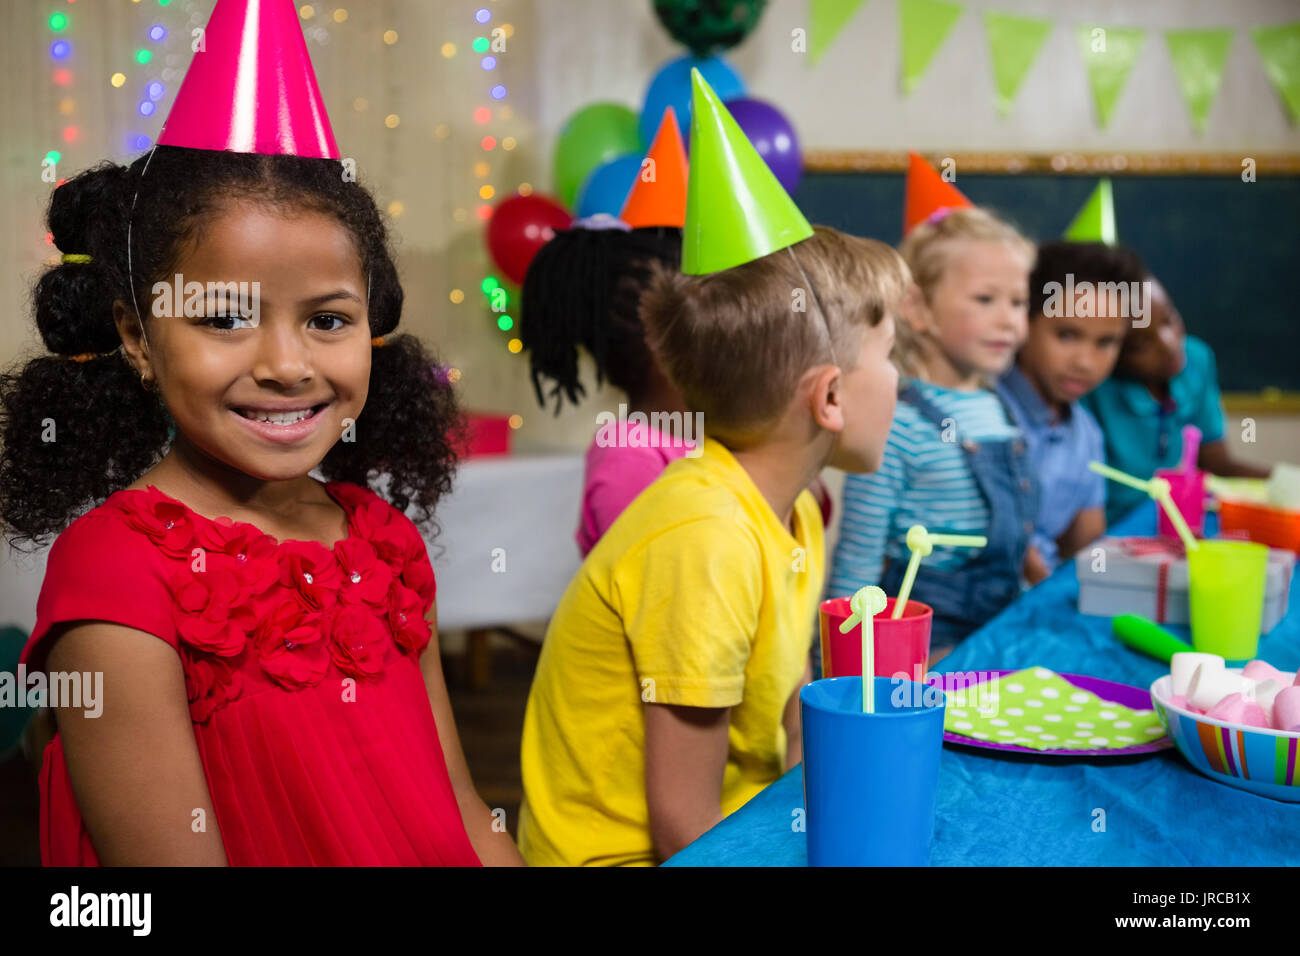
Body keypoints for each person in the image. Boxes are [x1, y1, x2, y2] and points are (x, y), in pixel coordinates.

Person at [0, 0, 519, 866]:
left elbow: (462, 813)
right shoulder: (115, 575)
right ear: (137, 335)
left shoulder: (382, 542)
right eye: (225, 318)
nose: (286, 364)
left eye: (326, 320)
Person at [516, 73, 908, 865]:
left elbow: (790, 721)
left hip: (743, 824)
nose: (905, 381)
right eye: (894, 356)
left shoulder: (791, 507)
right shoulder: (707, 538)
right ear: (828, 397)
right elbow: (680, 828)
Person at [830, 203, 1039, 652]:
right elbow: (858, 557)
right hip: (926, 639)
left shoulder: (1002, 406)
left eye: (1018, 302)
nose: (1008, 319)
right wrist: (837, 660)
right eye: (985, 300)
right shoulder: (896, 423)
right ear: (918, 309)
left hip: (1001, 623)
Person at [998, 239, 1147, 581]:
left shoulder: (1087, 435)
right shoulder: (984, 413)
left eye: (1105, 342)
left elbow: (1088, 551)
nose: (1084, 362)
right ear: (1025, 321)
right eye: (1067, 335)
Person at [1083, 275, 1272, 525]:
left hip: (1179, 522)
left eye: (1169, 318)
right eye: (1141, 344)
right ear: (1111, 353)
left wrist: (1284, 481)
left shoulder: (1196, 359)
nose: (1169, 344)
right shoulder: (1092, 387)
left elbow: (1215, 462)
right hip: (1114, 530)